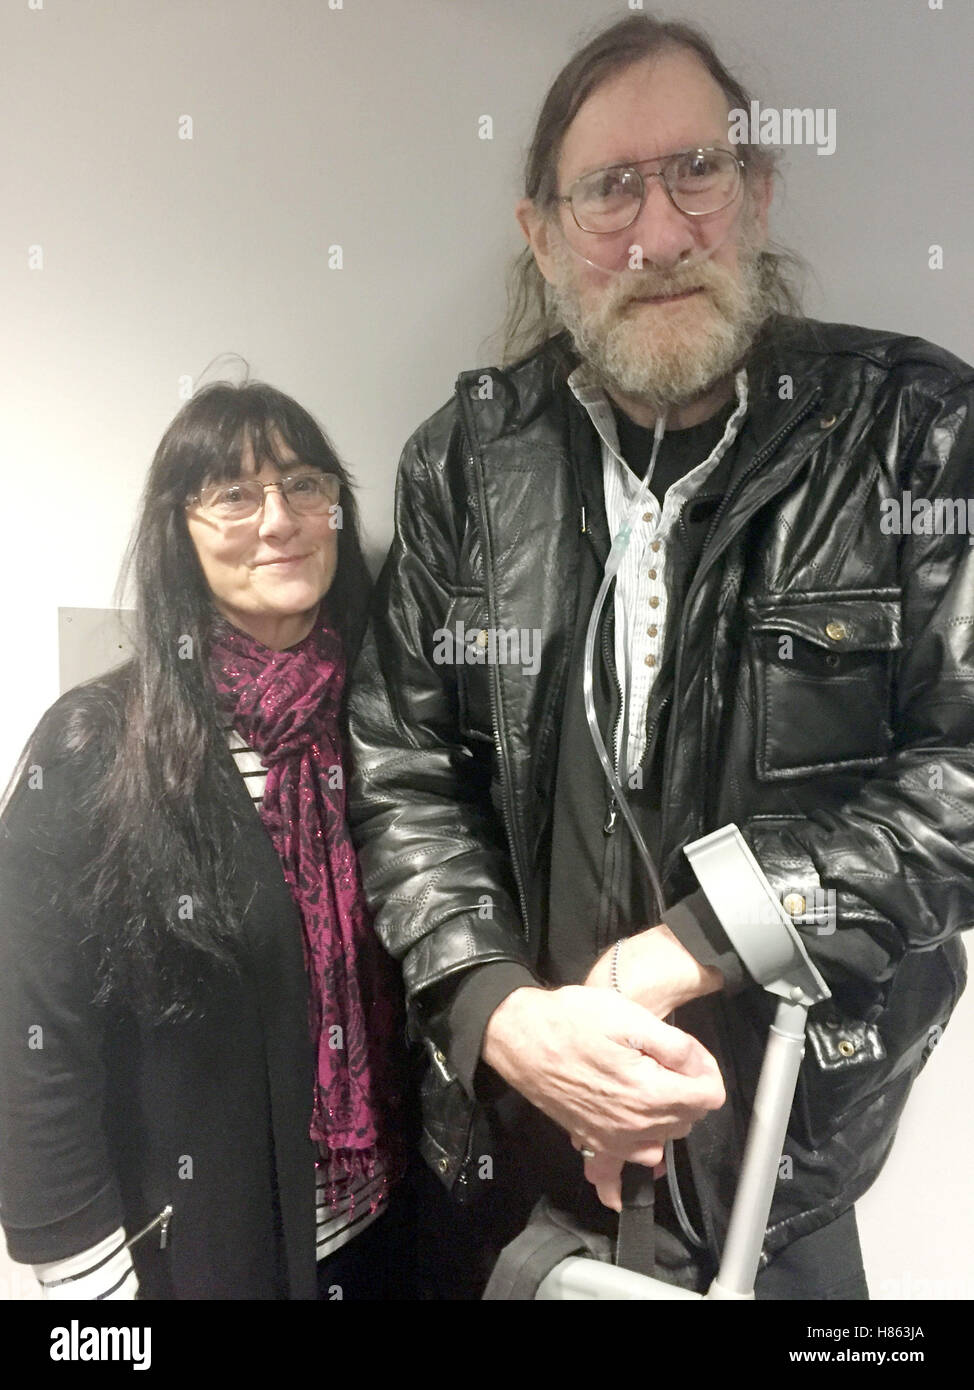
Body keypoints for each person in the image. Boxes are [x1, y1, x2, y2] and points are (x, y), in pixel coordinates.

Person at [346, 13, 973, 1300]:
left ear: (754, 188)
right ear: (542, 231)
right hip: (514, 1169)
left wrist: (695, 941)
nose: (657, 230)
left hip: (779, 1165)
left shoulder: (915, 431)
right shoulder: (462, 460)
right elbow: (402, 765)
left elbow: (962, 777)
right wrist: (501, 1013)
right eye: (607, 190)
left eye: (696, 171)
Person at [0, 381, 410, 1299]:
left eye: (305, 486)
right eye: (232, 494)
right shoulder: (98, 747)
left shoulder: (390, 725)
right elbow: (36, 1052)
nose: (279, 520)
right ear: (176, 531)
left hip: (386, 1239)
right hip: (205, 1264)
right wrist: (93, 1307)